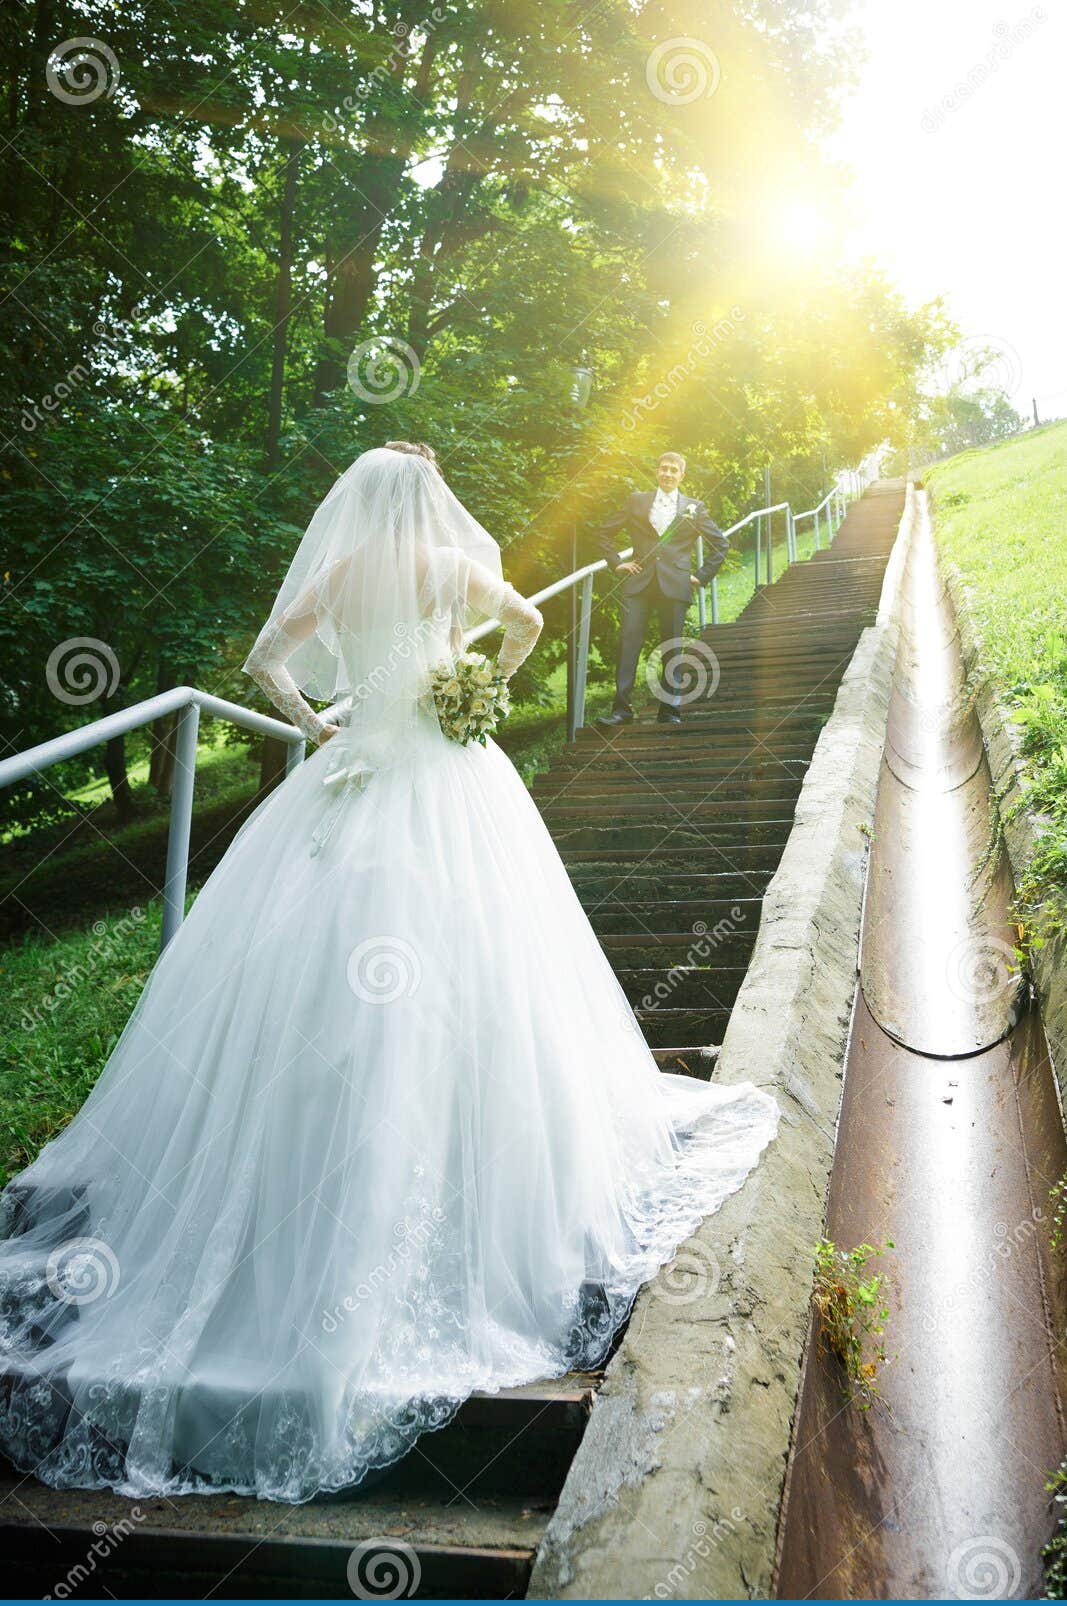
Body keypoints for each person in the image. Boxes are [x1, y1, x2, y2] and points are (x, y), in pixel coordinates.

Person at [0, 443, 777, 1504]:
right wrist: (474, 685)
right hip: (448, 774)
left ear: (356, 502)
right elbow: (532, 623)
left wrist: (318, 722)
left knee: (308, 984)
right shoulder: (448, 569)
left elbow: (268, 657)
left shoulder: (343, 570)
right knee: (479, 966)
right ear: (430, 498)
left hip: (354, 772)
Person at [596, 451, 728, 727]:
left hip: (675, 583)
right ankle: (622, 711)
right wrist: (617, 563)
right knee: (628, 641)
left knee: (672, 645)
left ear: (682, 476)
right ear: (657, 472)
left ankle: (669, 711)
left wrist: (700, 577)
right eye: (664, 468)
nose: (668, 474)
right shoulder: (636, 501)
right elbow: (604, 531)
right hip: (639, 581)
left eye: (673, 470)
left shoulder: (695, 507)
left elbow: (720, 544)